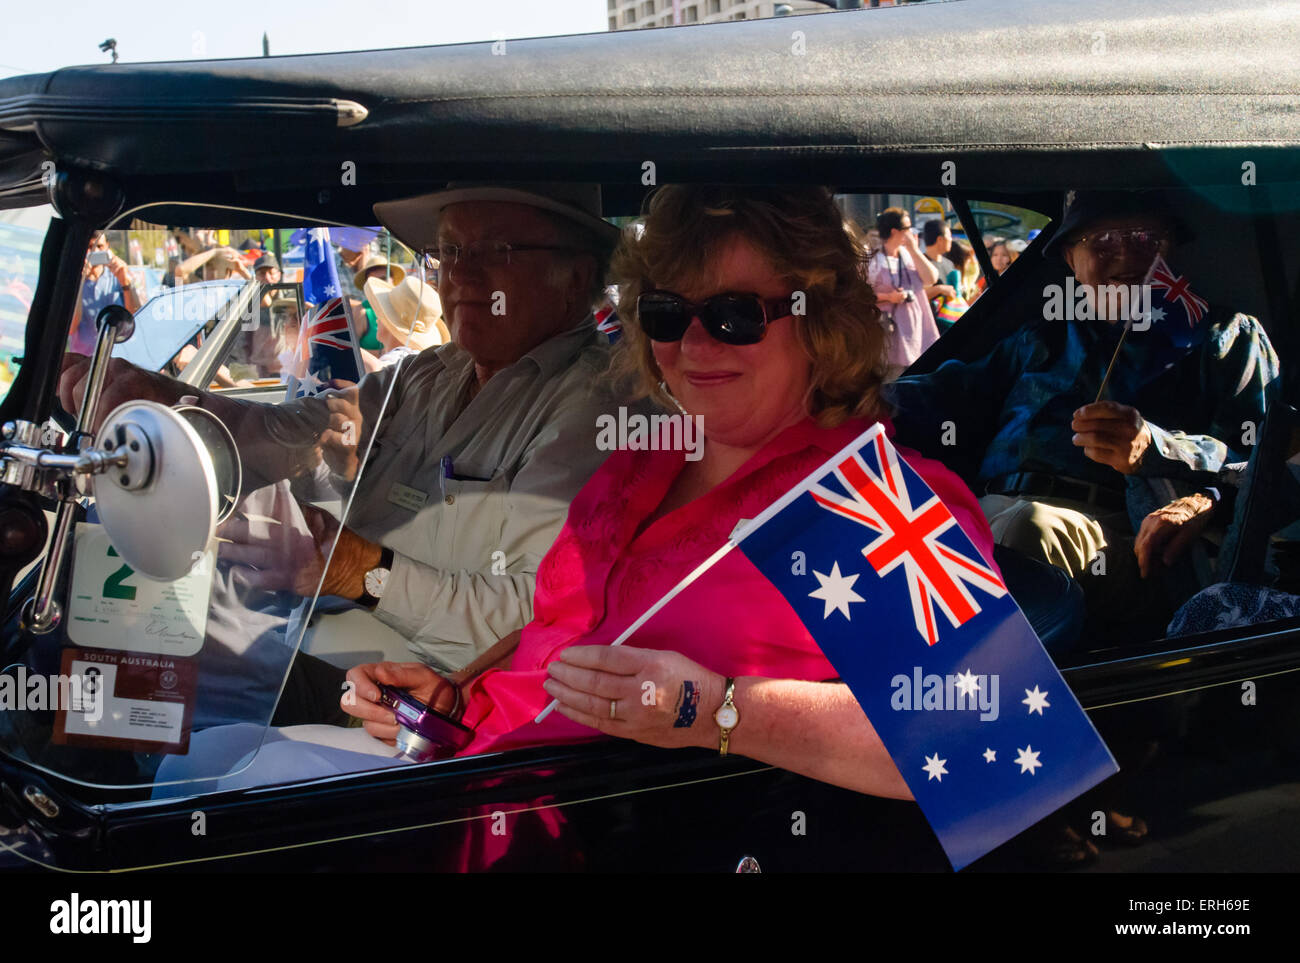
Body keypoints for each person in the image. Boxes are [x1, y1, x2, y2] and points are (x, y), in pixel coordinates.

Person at [167, 184, 1000, 798]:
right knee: (195, 757)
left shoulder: (866, 497)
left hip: (572, 823)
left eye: (739, 315)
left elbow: (990, 741)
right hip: (467, 766)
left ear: (821, 321)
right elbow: (555, 631)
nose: (696, 343)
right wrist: (452, 698)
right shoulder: (645, 464)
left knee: (191, 803)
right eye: (669, 313)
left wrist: (718, 713)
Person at [59, 183, 631, 689]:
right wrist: (158, 397)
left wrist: (357, 569)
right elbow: (289, 434)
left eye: (496, 251)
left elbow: (535, 620)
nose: (461, 274)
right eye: (451, 251)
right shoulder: (425, 375)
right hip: (305, 630)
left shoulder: (598, 406)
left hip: (411, 695)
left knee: (124, 655)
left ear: (576, 273)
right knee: (95, 607)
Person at [888, 189, 1280, 626]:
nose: (1129, 255)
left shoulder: (1224, 338)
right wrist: (842, 401)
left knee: (1025, 528)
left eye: (1147, 239)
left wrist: (1158, 448)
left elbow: (1266, 464)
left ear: (1171, 251)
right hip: (989, 510)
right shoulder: (1040, 339)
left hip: (1124, 536)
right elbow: (944, 393)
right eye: (1104, 242)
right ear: (1071, 261)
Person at [866, 207, 940, 374]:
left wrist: (914, 249)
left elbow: (931, 278)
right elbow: (858, 294)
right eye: (908, 228)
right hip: (888, 338)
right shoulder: (874, 260)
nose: (912, 232)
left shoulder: (908, 255)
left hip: (916, 335)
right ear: (895, 231)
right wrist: (888, 297)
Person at [68, 232, 142, 355]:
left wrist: (126, 283)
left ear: (107, 247)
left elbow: (137, 318)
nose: (95, 251)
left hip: (118, 359)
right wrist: (79, 282)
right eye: (90, 247)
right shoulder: (73, 282)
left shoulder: (117, 276)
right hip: (84, 362)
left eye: (99, 246)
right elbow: (70, 327)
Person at [359, 274, 449, 372]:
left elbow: (378, 371)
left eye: (382, 314)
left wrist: (348, 349)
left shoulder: (405, 355)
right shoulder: (413, 357)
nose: (377, 319)